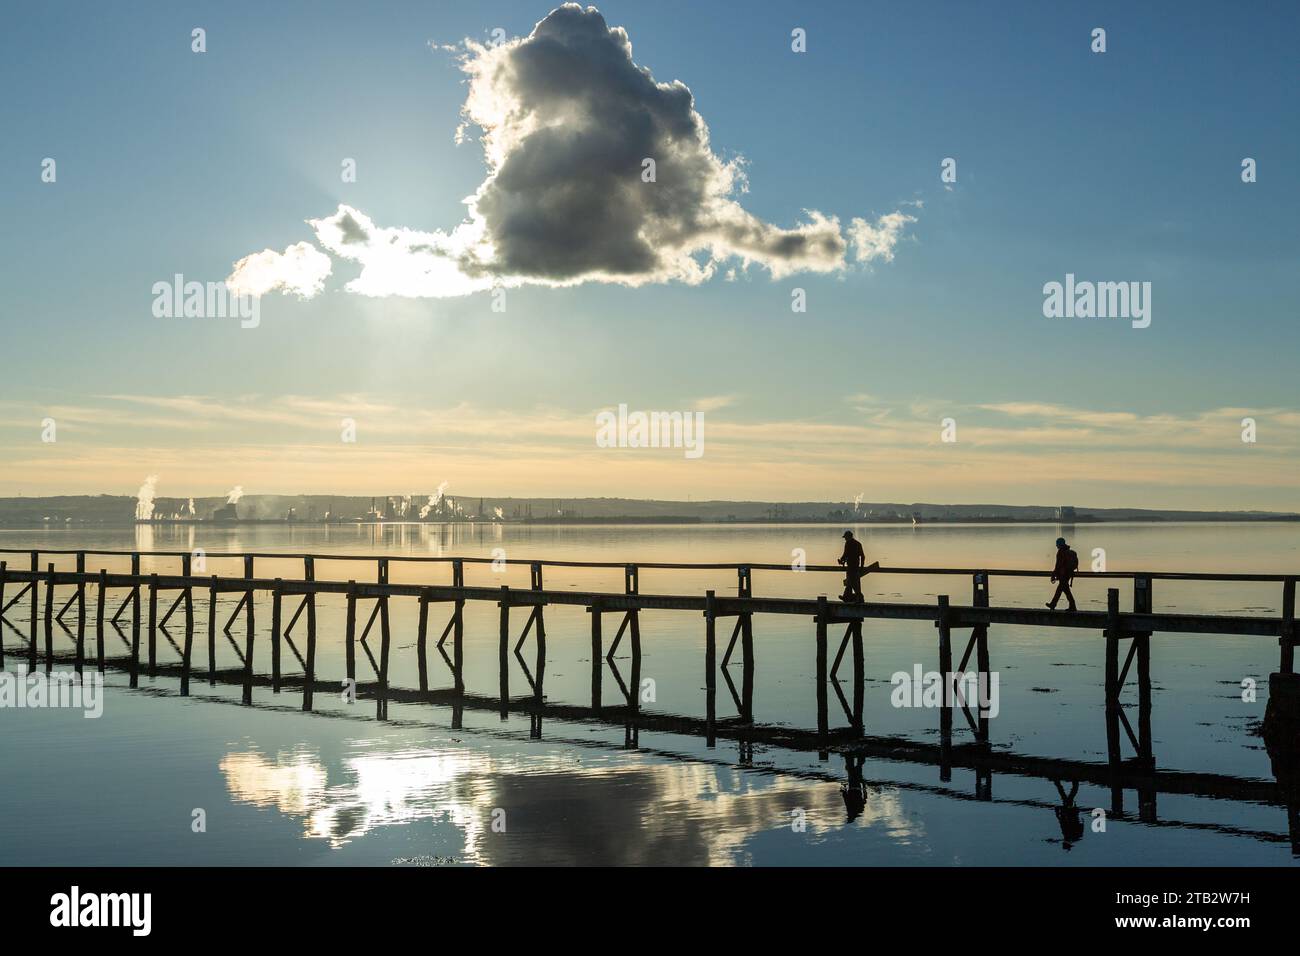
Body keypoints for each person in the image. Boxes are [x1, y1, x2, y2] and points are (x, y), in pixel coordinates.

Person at [1046, 536, 1079, 611]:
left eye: (1057, 544)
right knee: (1063, 590)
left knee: (1063, 590)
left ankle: (1055, 604)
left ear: (1059, 544)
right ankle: (1055, 604)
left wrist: (1054, 574)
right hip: (1069, 573)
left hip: (1063, 574)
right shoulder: (1068, 551)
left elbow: (1058, 565)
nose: (1056, 545)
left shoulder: (1061, 552)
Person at [838, 530, 866, 602]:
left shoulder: (851, 544)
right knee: (850, 582)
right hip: (853, 566)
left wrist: (841, 560)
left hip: (852, 566)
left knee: (853, 583)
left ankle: (859, 598)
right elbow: (862, 556)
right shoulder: (856, 544)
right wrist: (862, 567)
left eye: (845, 537)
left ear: (848, 537)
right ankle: (847, 597)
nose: (845, 539)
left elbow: (846, 554)